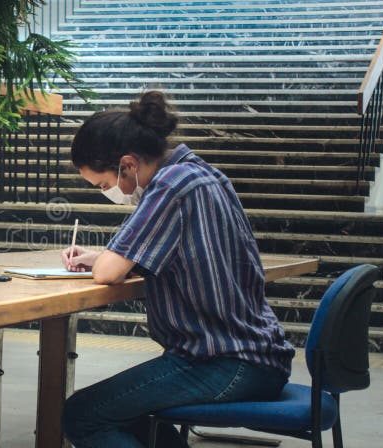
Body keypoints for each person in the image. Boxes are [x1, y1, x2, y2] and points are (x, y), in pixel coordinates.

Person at [59, 91, 295, 447]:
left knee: (82, 415)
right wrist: (101, 255)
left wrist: (105, 258)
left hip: (225, 363)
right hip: (256, 355)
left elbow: (108, 273)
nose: (108, 193)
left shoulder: (169, 186)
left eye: (104, 185)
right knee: (123, 410)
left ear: (128, 164)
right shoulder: (201, 173)